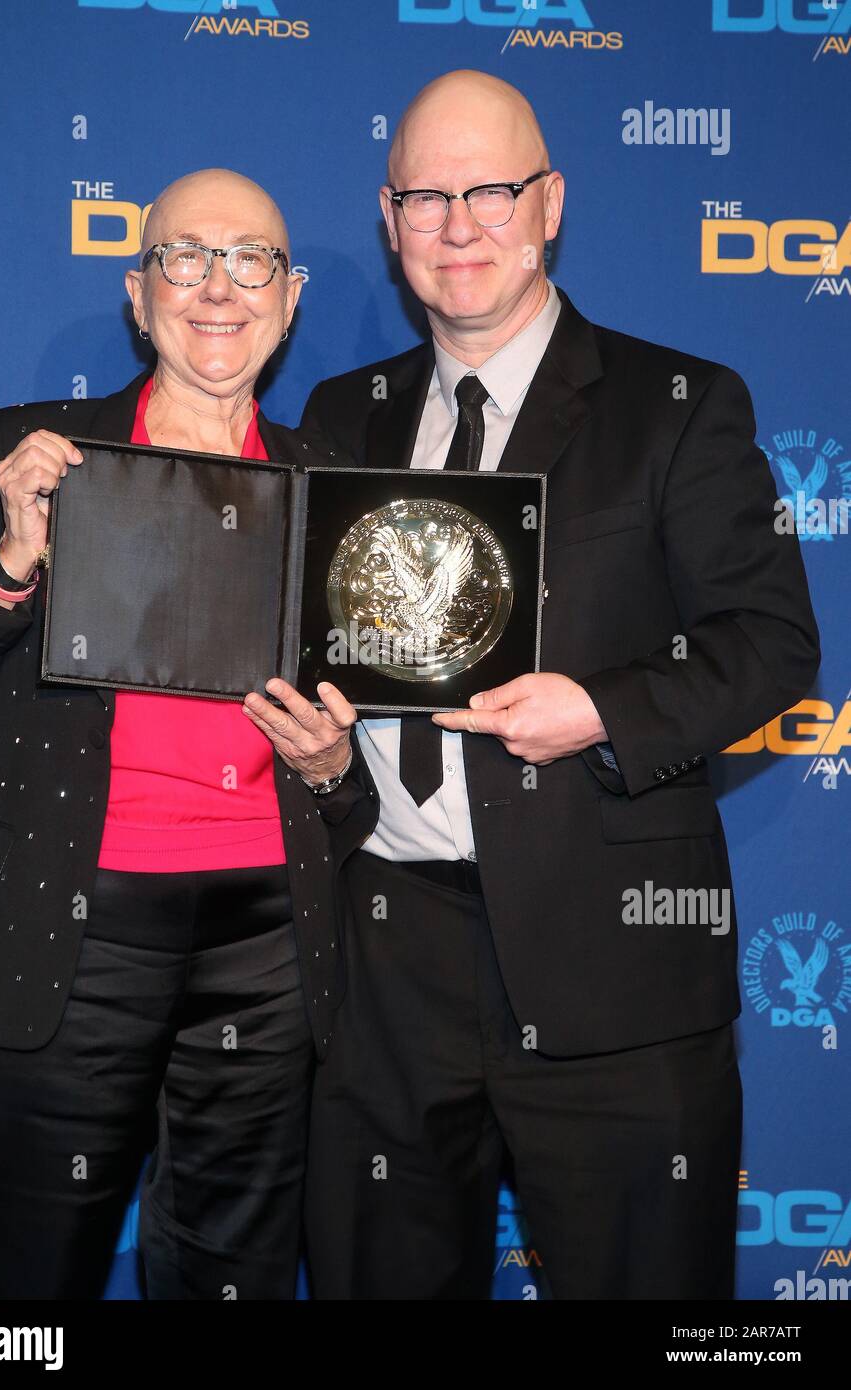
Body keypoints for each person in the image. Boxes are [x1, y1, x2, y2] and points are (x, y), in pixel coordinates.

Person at [243, 71, 821, 1299]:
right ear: (389, 220)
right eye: (426, 198)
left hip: (612, 966)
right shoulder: (342, 416)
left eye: (491, 191)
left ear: (549, 203)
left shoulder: (679, 406)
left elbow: (773, 643)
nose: (460, 226)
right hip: (386, 970)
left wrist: (603, 709)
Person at [0, 168, 358, 1300]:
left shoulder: (332, 488)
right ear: (137, 288)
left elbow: (369, 783)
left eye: (251, 258)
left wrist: (333, 764)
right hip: (59, 927)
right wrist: (9, 563)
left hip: (267, 944)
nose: (219, 287)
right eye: (185, 256)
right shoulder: (32, 450)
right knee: (20, 1291)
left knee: (235, 1276)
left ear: (291, 295)